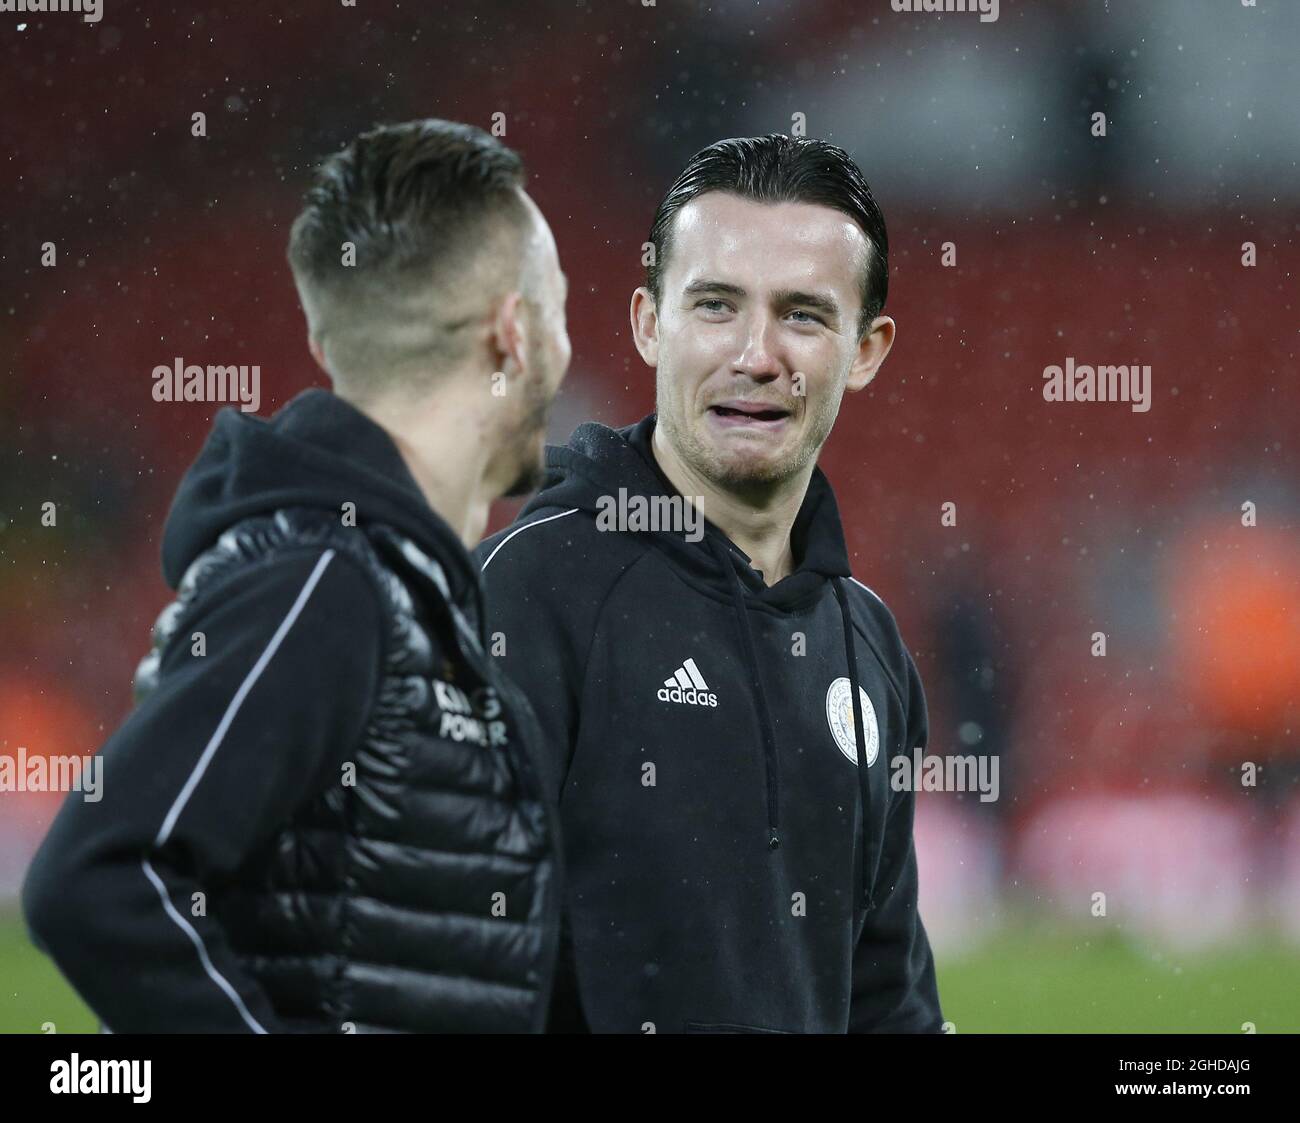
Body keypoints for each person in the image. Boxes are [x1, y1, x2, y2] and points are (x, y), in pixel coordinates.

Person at [22, 118, 572, 1033]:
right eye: (557, 310)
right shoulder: (325, 581)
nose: (564, 347)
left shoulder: (389, 585)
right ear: (513, 335)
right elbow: (95, 876)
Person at [476, 134, 942, 1033]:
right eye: (717, 306)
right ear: (650, 322)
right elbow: (432, 969)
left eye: (804, 315)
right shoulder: (524, 598)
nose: (756, 355)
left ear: (869, 347)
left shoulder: (870, 646)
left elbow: (886, 999)